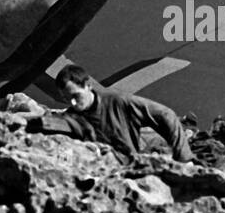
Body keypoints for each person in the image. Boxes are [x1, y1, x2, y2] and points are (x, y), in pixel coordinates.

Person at [48, 64, 194, 162]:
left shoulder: (119, 102)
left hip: (132, 169)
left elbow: (165, 115)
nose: (73, 104)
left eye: (76, 96)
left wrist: (184, 159)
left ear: (88, 85)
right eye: (66, 99)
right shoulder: (70, 117)